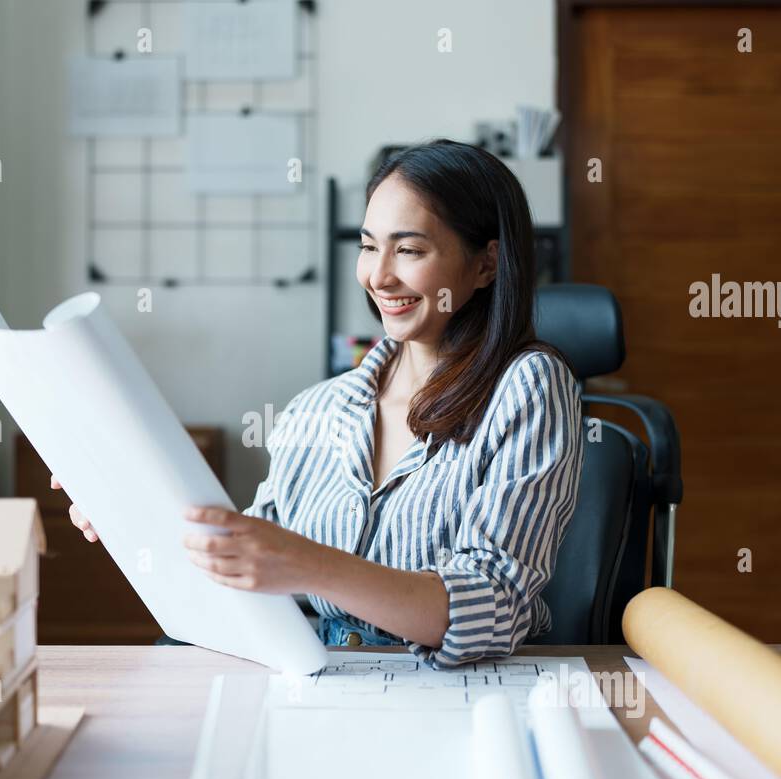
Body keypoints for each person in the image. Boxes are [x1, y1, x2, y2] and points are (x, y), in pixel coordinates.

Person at [55, 138, 583, 667]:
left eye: (410, 250)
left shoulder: (529, 387)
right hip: (319, 670)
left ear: (487, 263)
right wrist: (131, 514)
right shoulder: (320, 407)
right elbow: (247, 570)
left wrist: (308, 564)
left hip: (451, 692)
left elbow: (493, 607)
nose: (379, 276)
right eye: (369, 246)